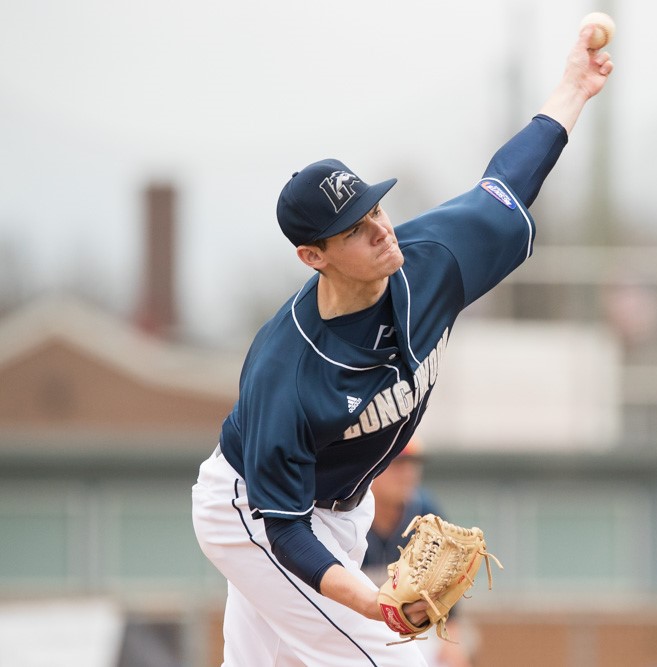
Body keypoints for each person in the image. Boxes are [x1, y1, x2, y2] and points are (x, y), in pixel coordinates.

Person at [191, 22, 614, 667]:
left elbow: (507, 182)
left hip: (343, 509)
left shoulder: (430, 260)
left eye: (375, 210)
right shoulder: (288, 366)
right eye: (356, 230)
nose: (380, 231)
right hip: (254, 512)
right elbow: (284, 530)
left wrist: (573, 88)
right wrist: (370, 603)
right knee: (390, 658)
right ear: (314, 256)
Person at [362, 436, 474, 667]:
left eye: (413, 465)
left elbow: (448, 587)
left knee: (457, 653)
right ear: (372, 469)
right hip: (353, 620)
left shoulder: (426, 512)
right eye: (398, 465)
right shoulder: (346, 512)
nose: (408, 474)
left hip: (411, 626)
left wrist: (451, 639)